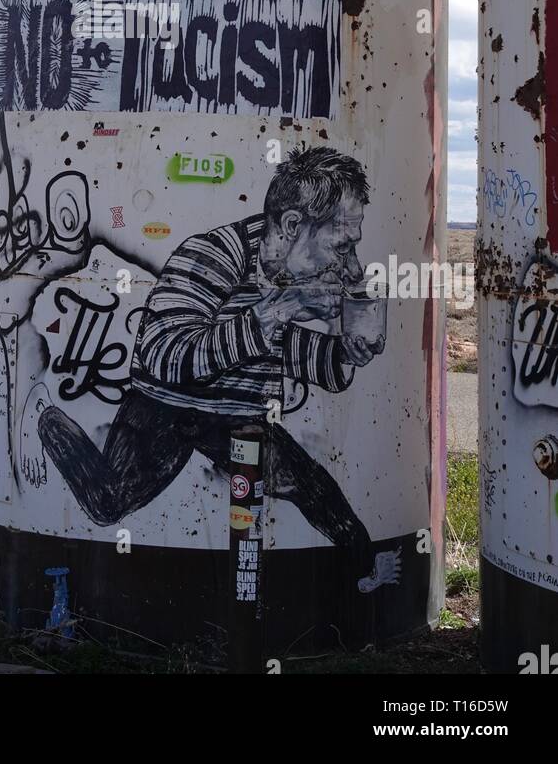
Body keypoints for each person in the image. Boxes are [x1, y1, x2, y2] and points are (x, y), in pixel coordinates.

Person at [32, 145, 400, 593]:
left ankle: (363, 572)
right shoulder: (212, 256)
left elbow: (287, 350)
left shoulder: (284, 278)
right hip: (163, 408)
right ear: (291, 226)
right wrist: (276, 312)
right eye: (342, 246)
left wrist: (344, 353)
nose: (352, 267)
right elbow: (166, 355)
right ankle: (53, 424)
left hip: (236, 414)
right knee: (109, 503)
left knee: (310, 485)